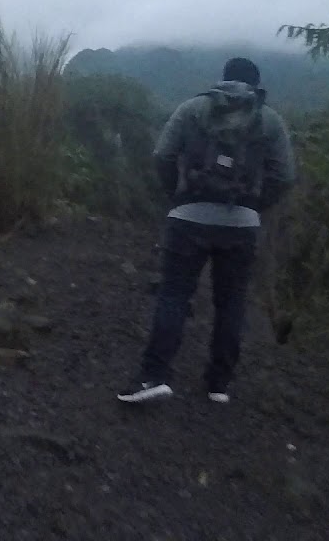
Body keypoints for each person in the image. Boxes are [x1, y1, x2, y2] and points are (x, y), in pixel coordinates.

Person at [117, 57, 295, 404]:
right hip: (242, 224)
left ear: (222, 79)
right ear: (256, 85)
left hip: (188, 217)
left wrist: (178, 194)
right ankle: (218, 384)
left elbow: (162, 156)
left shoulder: (192, 108)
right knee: (232, 302)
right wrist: (254, 205)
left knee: (174, 295)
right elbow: (285, 176)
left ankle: (154, 377)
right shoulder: (269, 120)